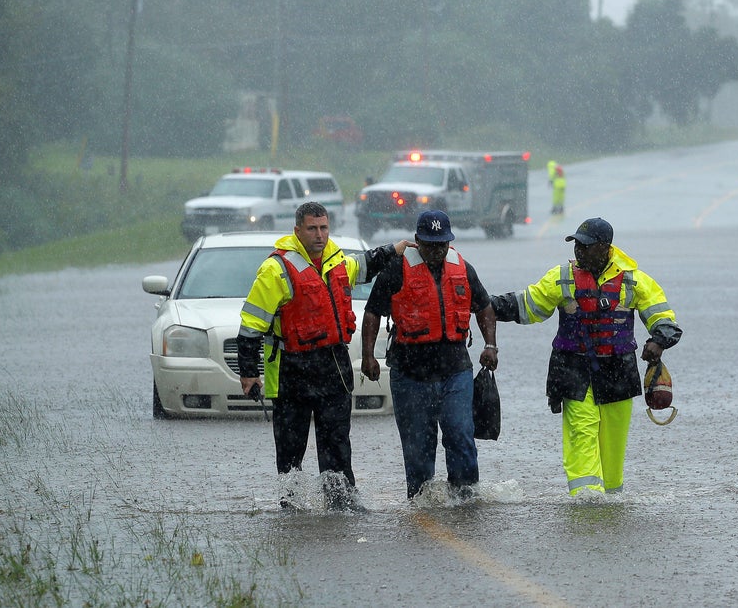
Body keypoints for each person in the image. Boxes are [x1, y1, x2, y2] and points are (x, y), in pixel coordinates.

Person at [236, 201, 411, 510]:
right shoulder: (275, 269)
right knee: (291, 447)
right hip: (292, 368)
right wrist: (249, 373)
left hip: (332, 364)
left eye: (324, 228)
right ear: (297, 230)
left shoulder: (336, 260)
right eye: (312, 229)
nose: (319, 235)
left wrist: (393, 250)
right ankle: (292, 506)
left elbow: (365, 265)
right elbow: (251, 325)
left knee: (337, 442)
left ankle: (341, 503)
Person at [492, 217, 681, 496]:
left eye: (585, 246)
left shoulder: (633, 280)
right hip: (574, 371)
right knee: (582, 432)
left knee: (612, 446)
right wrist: (485, 304)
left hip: (618, 371)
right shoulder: (562, 277)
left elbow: (663, 316)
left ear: (605, 248)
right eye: (576, 245)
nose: (578, 251)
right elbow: (530, 305)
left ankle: (611, 503)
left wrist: (658, 341)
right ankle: (587, 499)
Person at [360, 210, 498, 500]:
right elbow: (372, 312)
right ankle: (423, 502)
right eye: (430, 244)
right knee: (418, 445)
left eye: (442, 244)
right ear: (417, 241)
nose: (437, 250)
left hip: (455, 369)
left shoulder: (463, 268)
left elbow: (484, 306)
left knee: (460, 434)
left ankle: (465, 496)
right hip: (410, 372)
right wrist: (368, 356)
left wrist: (490, 345)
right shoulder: (396, 270)